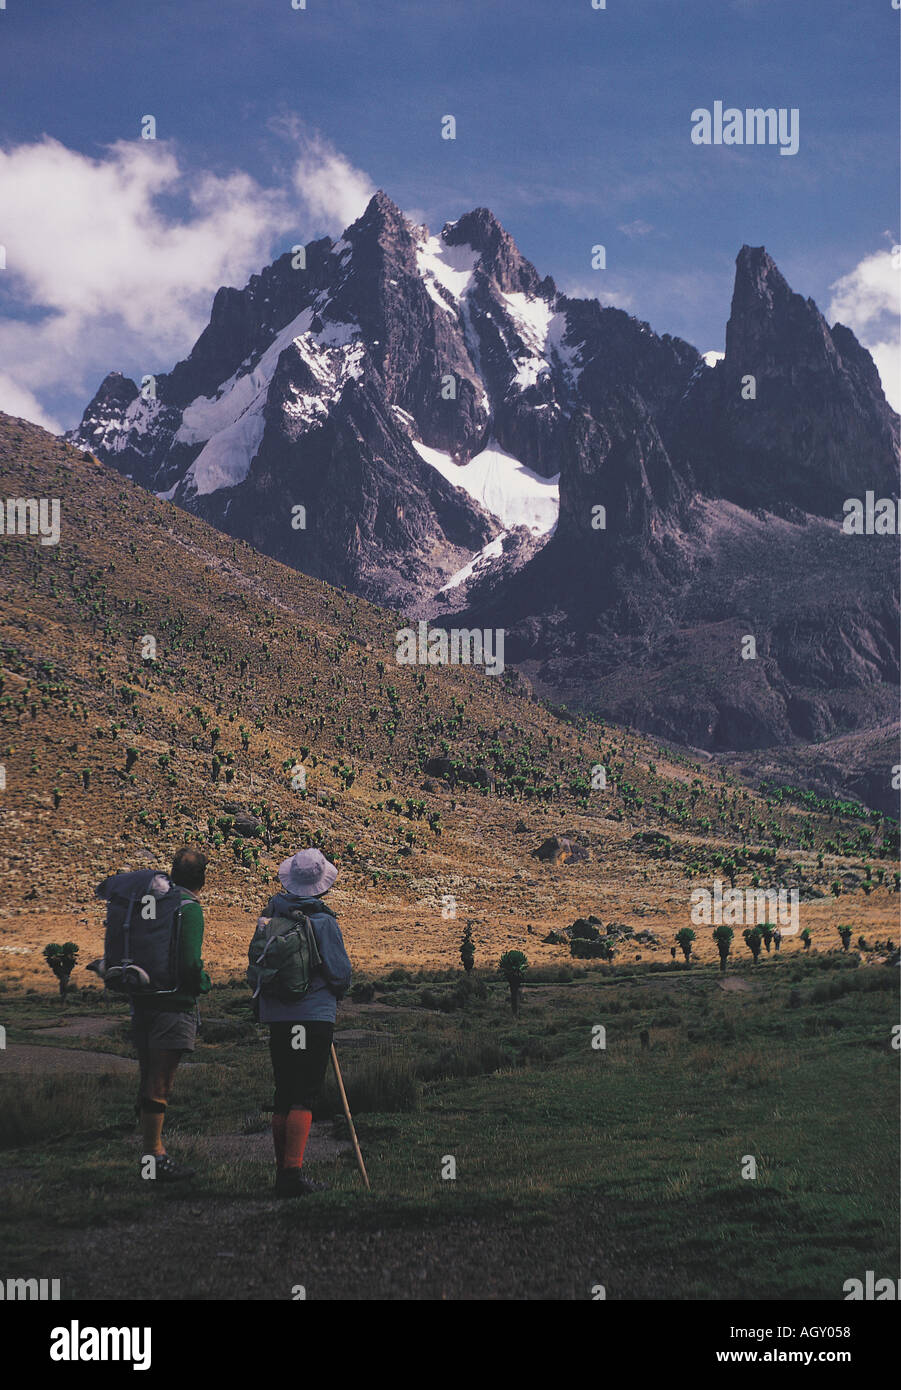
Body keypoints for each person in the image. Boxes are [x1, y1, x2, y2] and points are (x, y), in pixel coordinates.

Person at [257, 848, 352, 1197]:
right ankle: (293, 1175)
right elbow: (340, 974)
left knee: (284, 1093)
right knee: (304, 1095)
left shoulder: (270, 916)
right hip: (313, 1017)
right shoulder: (324, 921)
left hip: (278, 1017)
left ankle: (283, 1174)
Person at [132, 848, 211, 1182]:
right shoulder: (189, 909)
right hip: (173, 1005)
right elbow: (190, 965)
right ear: (202, 879)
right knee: (160, 1082)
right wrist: (204, 983)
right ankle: (154, 1158)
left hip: (144, 1000)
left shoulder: (155, 903)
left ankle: (149, 1157)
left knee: (148, 1077)